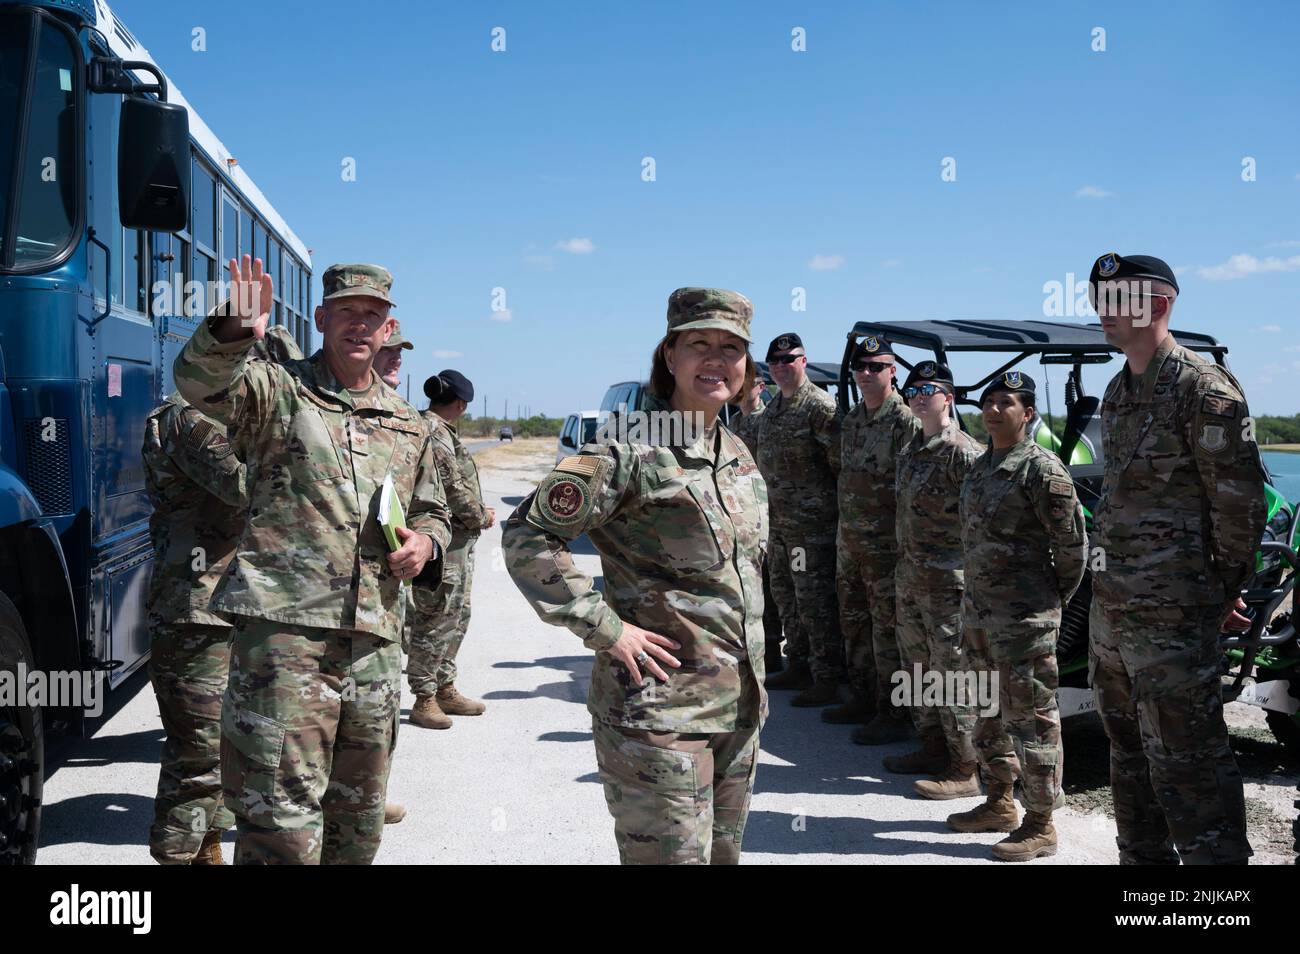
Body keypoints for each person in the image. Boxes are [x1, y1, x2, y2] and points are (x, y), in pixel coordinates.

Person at [174, 256, 451, 864]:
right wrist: (232, 326)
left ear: (388, 327)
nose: (360, 324)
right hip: (285, 642)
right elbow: (201, 382)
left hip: (376, 644)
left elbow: (434, 508)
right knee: (279, 818)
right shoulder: (277, 391)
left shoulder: (412, 426)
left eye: (372, 315)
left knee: (358, 816)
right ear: (322, 318)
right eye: (347, 312)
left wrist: (427, 542)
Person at [503, 287, 767, 864]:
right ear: (670, 356)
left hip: (737, 709)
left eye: (732, 348)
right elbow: (527, 534)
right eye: (700, 344)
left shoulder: (736, 454)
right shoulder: (628, 446)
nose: (717, 360)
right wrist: (604, 626)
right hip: (658, 714)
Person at [1087, 252, 1266, 865]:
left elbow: (1240, 510)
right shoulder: (1116, 391)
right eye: (1097, 300)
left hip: (1174, 617)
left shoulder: (1204, 390)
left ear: (1158, 306)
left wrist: (1214, 597)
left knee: (1188, 760)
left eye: (1116, 302)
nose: (1101, 313)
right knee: (1129, 757)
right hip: (1114, 619)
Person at [142, 326, 305, 865]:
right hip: (195, 610)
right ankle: (179, 854)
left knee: (234, 748)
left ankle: (208, 848)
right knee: (199, 758)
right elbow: (243, 488)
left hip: (236, 604)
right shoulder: (188, 417)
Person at [948, 371, 1087, 861]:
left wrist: (1044, 604)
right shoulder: (982, 467)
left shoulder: (1042, 471)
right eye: (987, 402)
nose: (992, 411)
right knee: (987, 713)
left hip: (1024, 621)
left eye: (1005, 403)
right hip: (980, 619)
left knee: (1033, 721)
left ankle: (1041, 822)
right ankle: (999, 802)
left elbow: (1072, 550)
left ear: (1028, 413)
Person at [885, 361, 982, 792]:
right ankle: (933, 748)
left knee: (953, 675)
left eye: (930, 388)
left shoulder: (964, 452)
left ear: (949, 398)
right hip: (911, 580)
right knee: (917, 671)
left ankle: (966, 769)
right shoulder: (910, 450)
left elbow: (983, 523)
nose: (920, 395)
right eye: (914, 389)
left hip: (950, 586)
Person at [735, 333, 844, 706]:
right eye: (775, 362)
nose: (782, 367)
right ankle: (798, 663)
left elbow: (839, 467)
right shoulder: (774, 411)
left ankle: (827, 676)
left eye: (789, 359)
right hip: (779, 527)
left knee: (815, 602)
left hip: (811, 531)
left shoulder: (819, 407)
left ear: (803, 361)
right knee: (786, 598)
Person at [826, 335, 922, 740]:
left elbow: (916, 489)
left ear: (893, 371)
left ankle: (893, 714)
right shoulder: (852, 421)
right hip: (851, 544)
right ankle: (863, 698)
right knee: (854, 624)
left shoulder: (905, 422)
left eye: (876, 367)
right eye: (860, 368)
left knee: (887, 633)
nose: (866, 374)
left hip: (887, 548)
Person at [408, 369, 496, 729]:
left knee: (456, 616)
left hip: (456, 542)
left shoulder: (434, 429)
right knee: (436, 617)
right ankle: (424, 697)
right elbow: (454, 488)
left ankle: (445, 687)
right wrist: (480, 516)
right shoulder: (436, 435)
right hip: (444, 541)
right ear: (461, 404)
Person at [374, 318, 413, 390]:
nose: (397, 360)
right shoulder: (350, 397)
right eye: (386, 349)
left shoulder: (396, 400)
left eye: (399, 350)